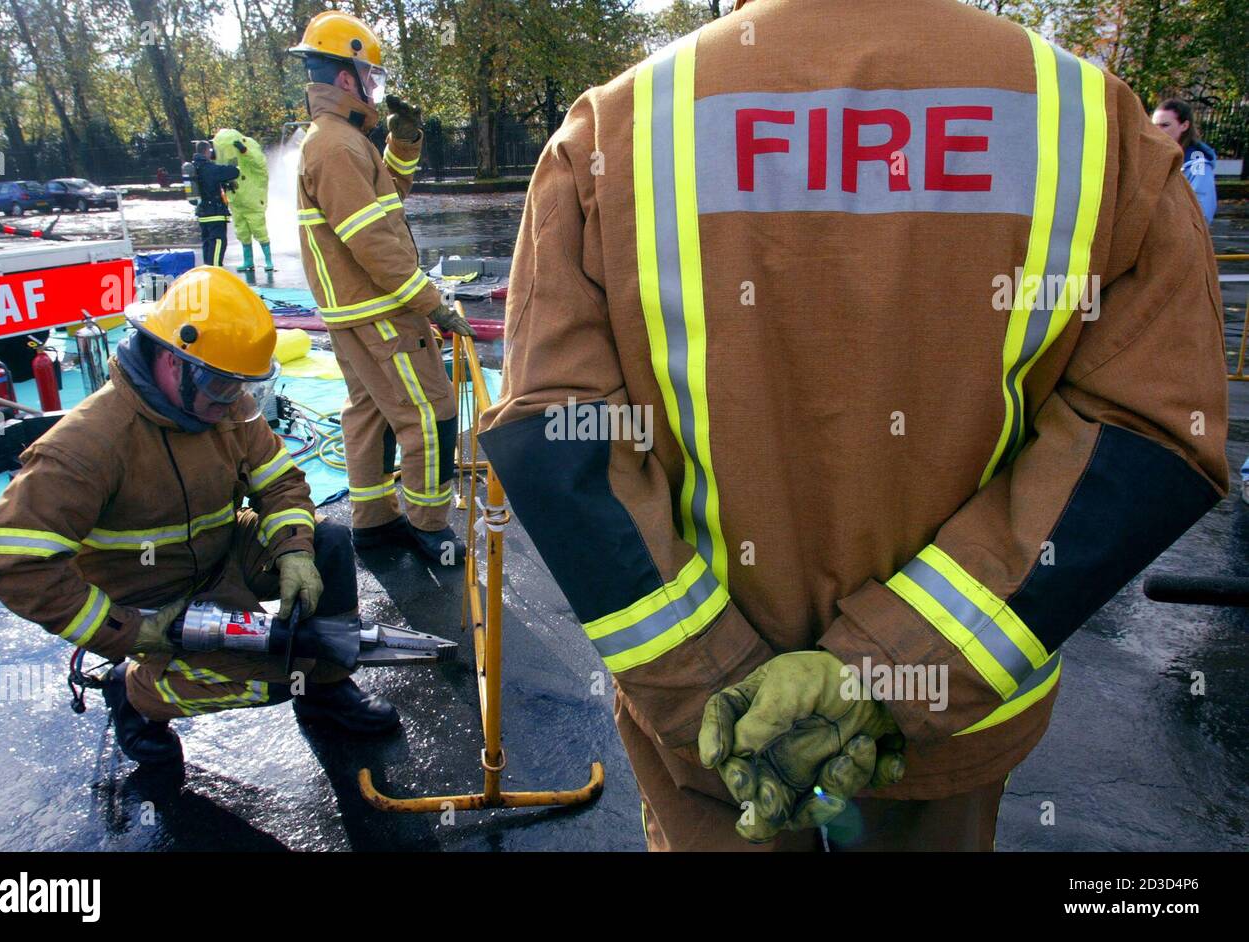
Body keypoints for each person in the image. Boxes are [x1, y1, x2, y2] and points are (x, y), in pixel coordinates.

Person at [478, 0, 1228, 850]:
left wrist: (711, 689)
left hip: (719, 736)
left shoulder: (616, 127)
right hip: (948, 721)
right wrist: (889, 676)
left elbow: (556, 433)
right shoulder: (1097, 125)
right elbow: (1151, 432)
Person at [0, 267, 401, 767]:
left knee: (326, 543)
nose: (230, 402)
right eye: (219, 384)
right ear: (170, 357)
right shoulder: (89, 445)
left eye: (238, 385)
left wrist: (292, 550)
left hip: (220, 558)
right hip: (147, 596)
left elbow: (279, 482)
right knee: (275, 680)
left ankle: (327, 690)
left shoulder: (227, 407)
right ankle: (133, 693)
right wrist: (128, 630)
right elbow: (13, 564)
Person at [289, 10, 474, 565]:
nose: (374, 87)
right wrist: (432, 303)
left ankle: (373, 520)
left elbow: (384, 191)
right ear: (346, 78)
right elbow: (373, 241)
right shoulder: (337, 146)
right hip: (382, 314)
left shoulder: (340, 141)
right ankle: (428, 526)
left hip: (355, 314)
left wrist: (405, 141)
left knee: (369, 412)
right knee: (431, 413)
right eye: (369, 76)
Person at [214, 128, 275, 273]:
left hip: (252, 199)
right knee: (241, 231)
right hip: (237, 200)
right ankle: (248, 260)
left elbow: (260, 165)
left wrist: (244, 151)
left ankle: (268, 260)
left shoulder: (249, 149)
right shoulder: (231, 159)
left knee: (259, 229)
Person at [1152, 98, 1218, 224]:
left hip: (1179, 236)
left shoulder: (1197, 163)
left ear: (1184, 125)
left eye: (1165, 125)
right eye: (1154, 126)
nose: (1157, 131)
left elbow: (1202, 213)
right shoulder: (1155, 156)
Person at [192, 140, 239, 267]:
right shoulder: (209, 168)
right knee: (218, 242)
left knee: (207, 243)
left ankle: (208, 268)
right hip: (215, 212)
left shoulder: (194, 168)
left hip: (202, 213)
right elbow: (234, 172)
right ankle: (215, 270)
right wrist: (234, 164)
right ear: (208, 151)